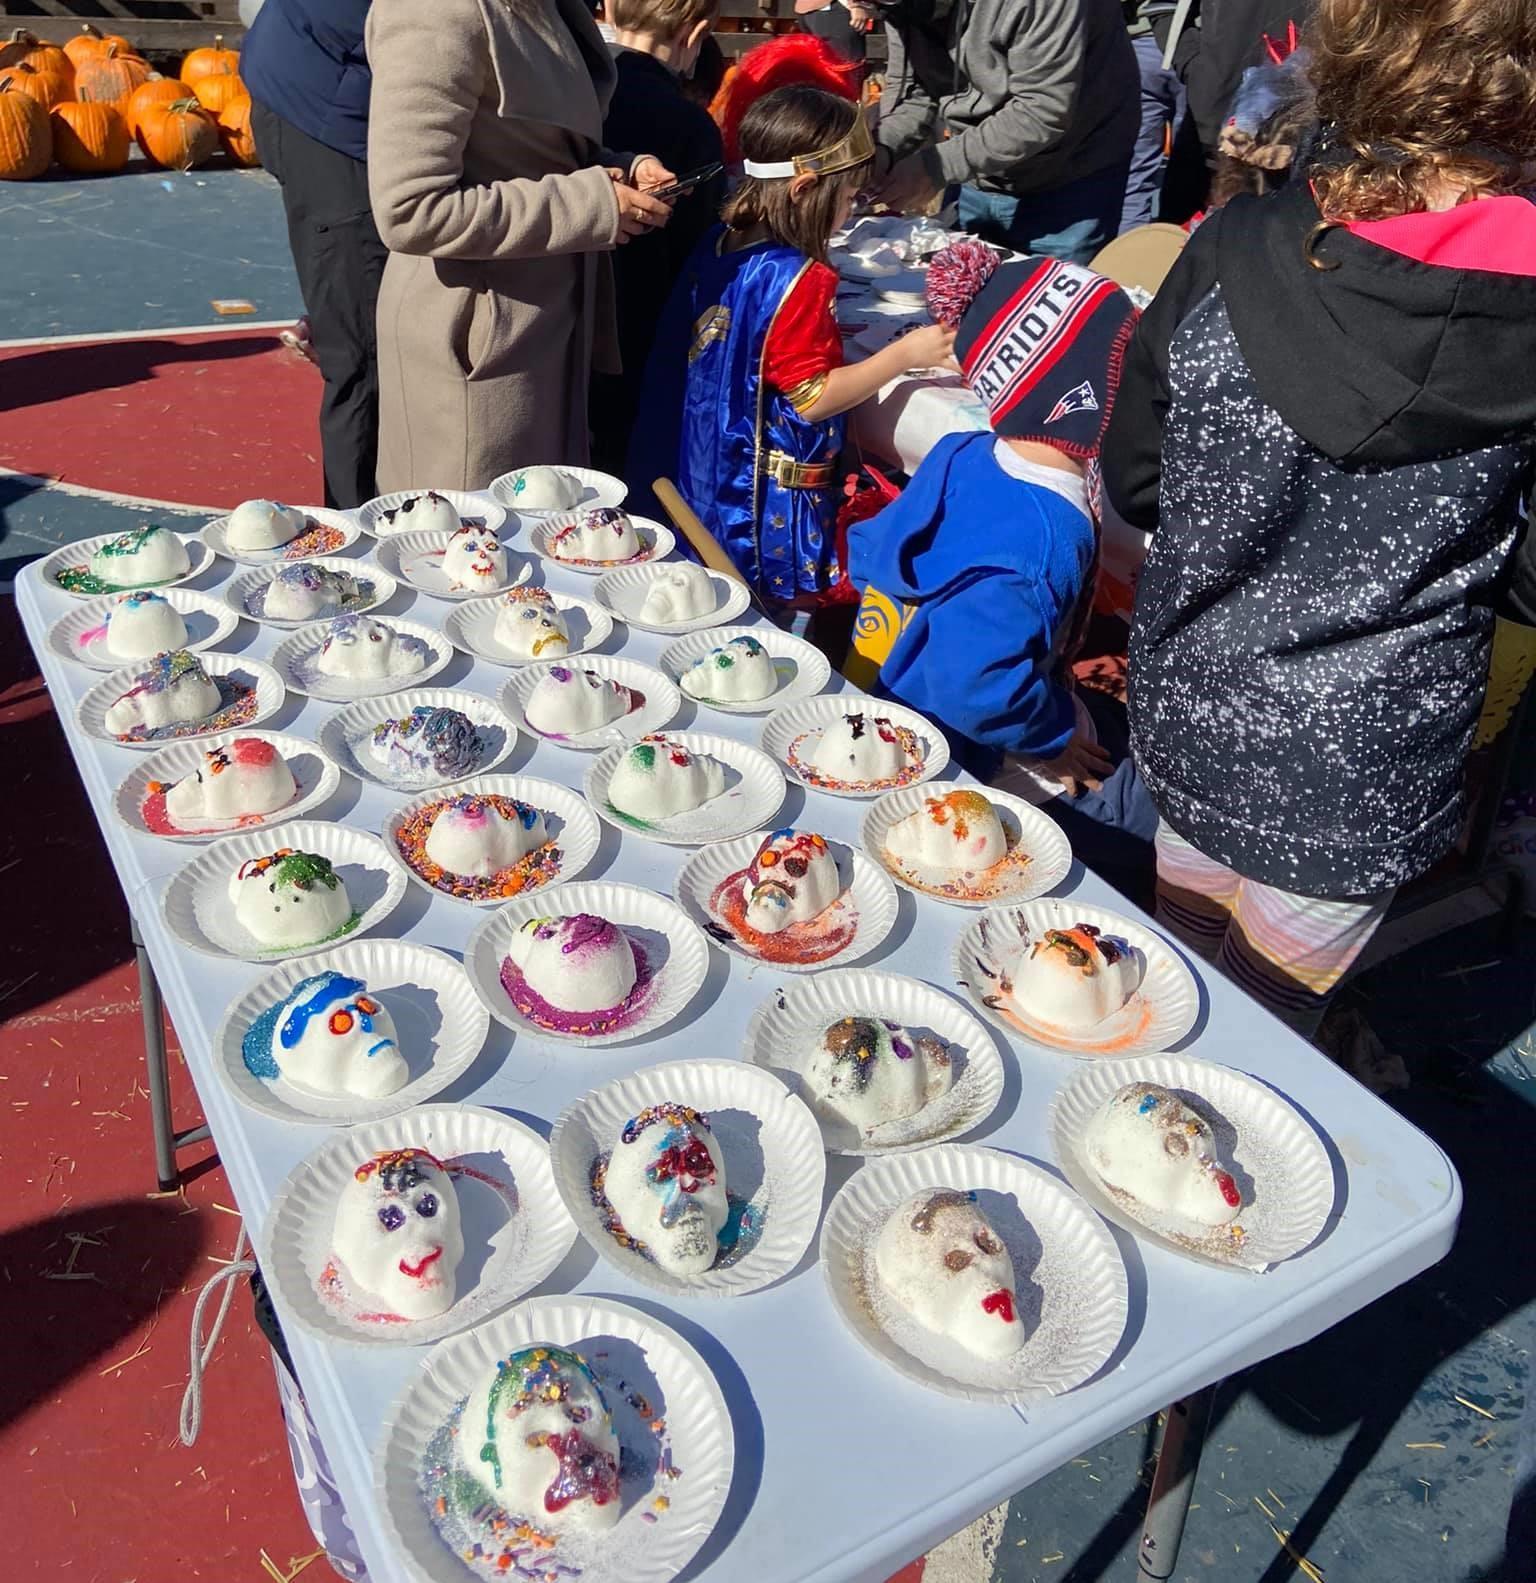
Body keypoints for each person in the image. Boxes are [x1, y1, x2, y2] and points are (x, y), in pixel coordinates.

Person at [1101, 0, 1536, 1033]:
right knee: (1256, 1036)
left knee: (1175, 983)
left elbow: (1138, 477)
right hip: (1363, 769)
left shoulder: (1237, 243)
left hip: (1196, 706)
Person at [846, 239, 1157, 900]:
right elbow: (974, 685)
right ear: (1083, 397)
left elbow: (879, 547)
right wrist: (1049, 737)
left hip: (887, 687)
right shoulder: (1049, 538)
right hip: (966, 747)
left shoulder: (960, 448)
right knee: (1140, 815)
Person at [632, 78, 953, 604]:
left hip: (699, 475)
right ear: (805, 191)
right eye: (847, 197)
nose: (850, 210)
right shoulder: (800, 279)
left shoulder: (719, 239)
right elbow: (814, 397)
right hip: (762, 508)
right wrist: (907, 353)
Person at [364, 0, 676, 494]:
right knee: (469, 551)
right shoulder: (434, 10)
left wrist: (617, 168)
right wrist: (591, 202)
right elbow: (411, 209)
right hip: (479, 335)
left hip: (543, 328)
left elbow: (521, 147)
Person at [242, 0, 387, 509]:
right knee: (363, 356)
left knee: (358, 319)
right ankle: (357, 536)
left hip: (316, 76)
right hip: (331, 98)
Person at [871, 0, 1141, 265]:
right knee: (956, 295)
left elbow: (1043, 110)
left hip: (1070, 175)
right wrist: (881, 151)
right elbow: (912, 91)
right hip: (975, 169)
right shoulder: (898, 5)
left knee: (1040, 301)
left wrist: (935, 167)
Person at [590, 0, 726, 473]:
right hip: (645, 334)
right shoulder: (688, 123)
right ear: (697, 33)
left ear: (607, 9)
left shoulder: (578, 90)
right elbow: (704, 253)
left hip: (563, 325)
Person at [1120, 0, 1188, 231]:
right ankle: (1176, 251)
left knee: (1134, 171)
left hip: (1143, 40)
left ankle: (1126, 256)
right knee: (1193, 166)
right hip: (1201, 47)